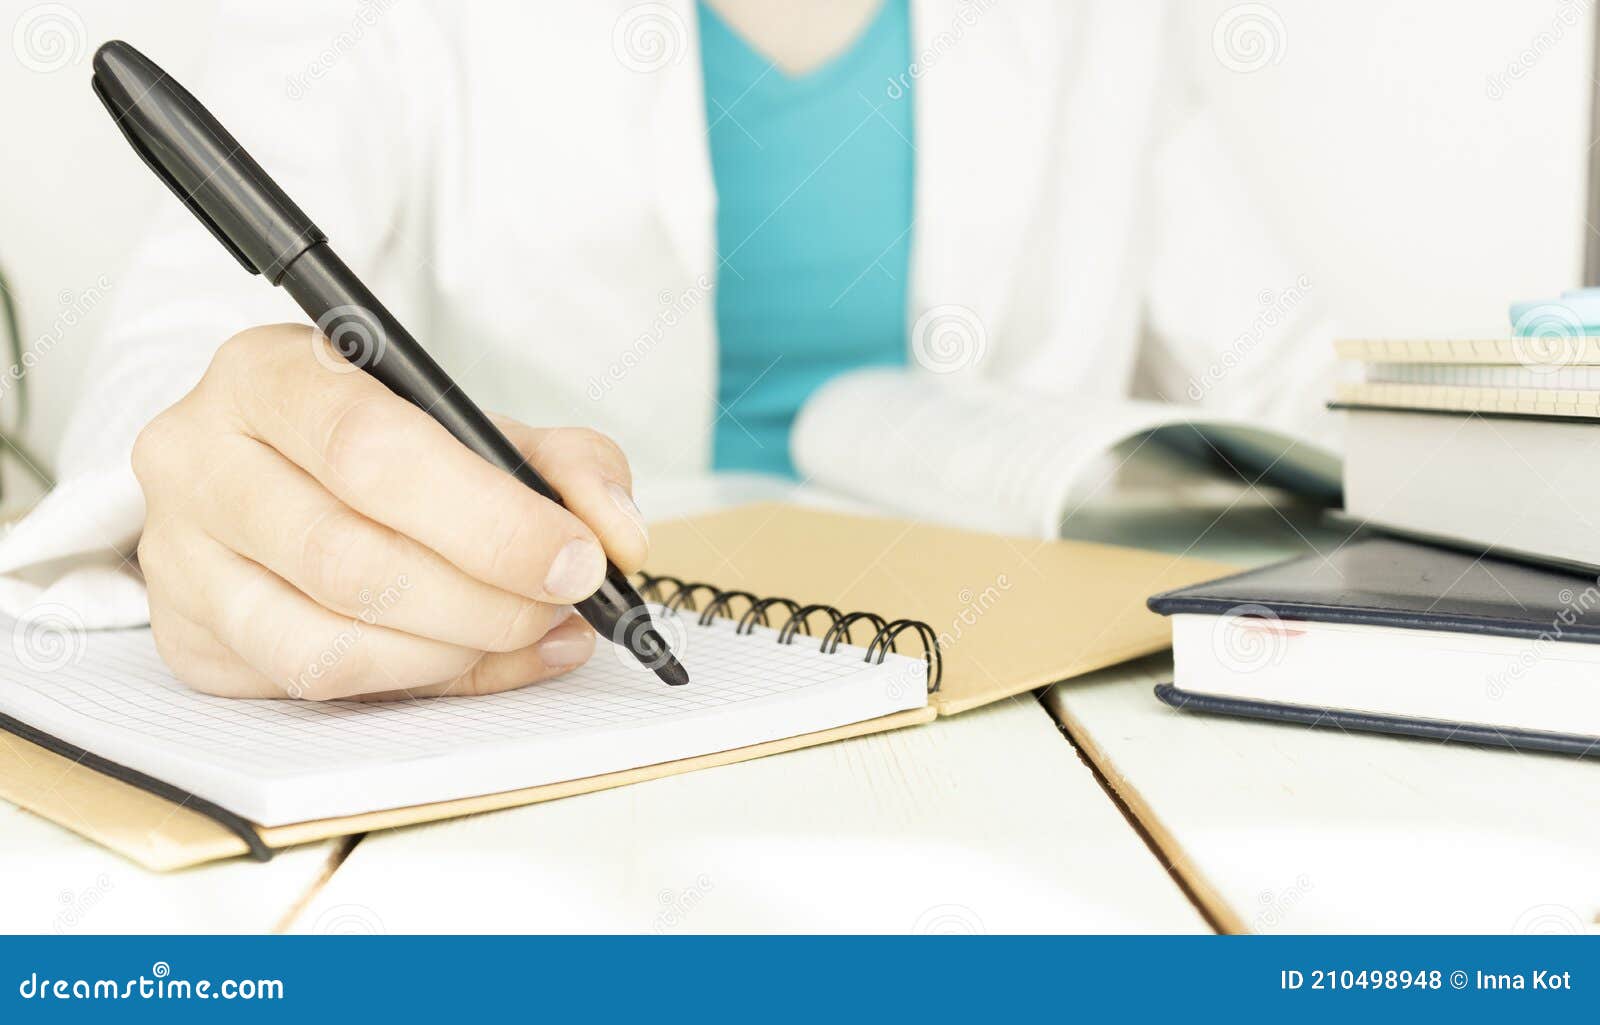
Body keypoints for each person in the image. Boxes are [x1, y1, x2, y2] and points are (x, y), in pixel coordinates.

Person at [4, 0, 1330, 699]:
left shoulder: (1110, 22)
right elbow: (178, 353)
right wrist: (217, 507)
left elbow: (1291, 373)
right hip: (553, 684)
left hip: (1018, 680)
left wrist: (1507, 423)